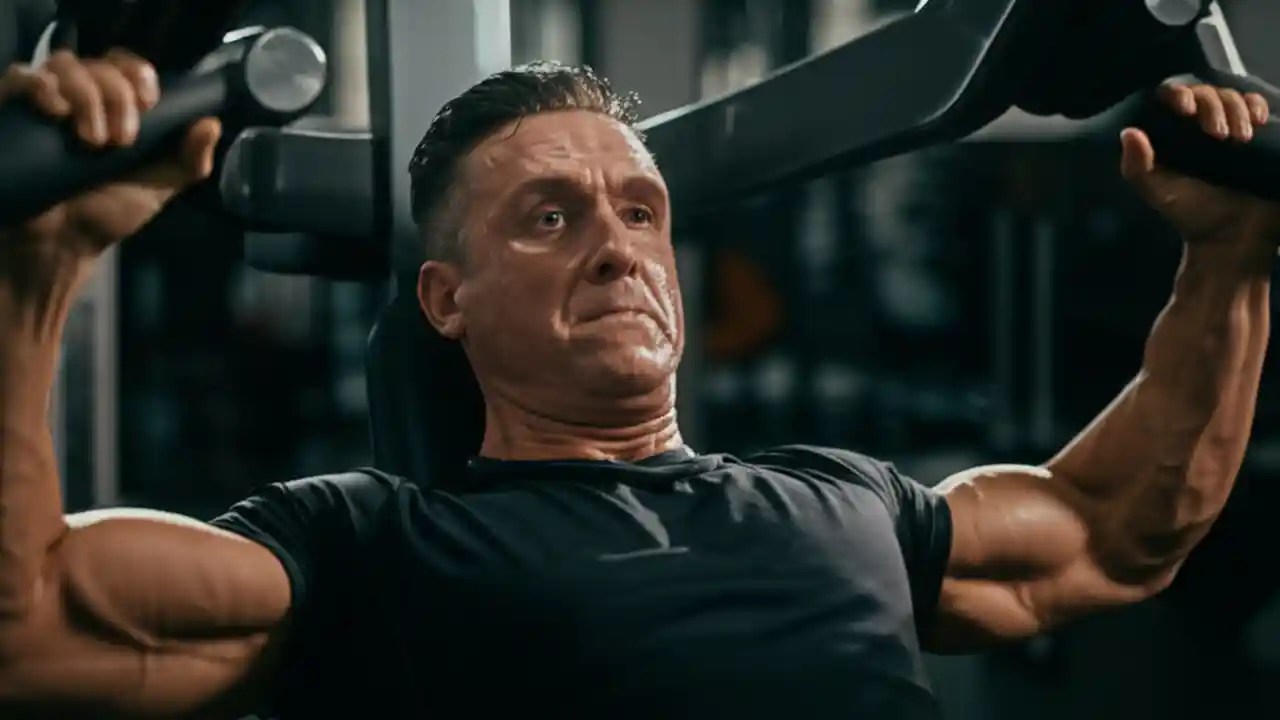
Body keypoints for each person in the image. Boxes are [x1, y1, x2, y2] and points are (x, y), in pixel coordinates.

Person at [0, 48, 1275, 720]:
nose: (616, 242)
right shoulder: (368, 547)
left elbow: (1120, 532)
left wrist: (1226, 258)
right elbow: (34, 624)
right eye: (549, 219)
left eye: (638, 211)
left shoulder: (844, 500)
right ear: (444, 301)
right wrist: (33, 276)